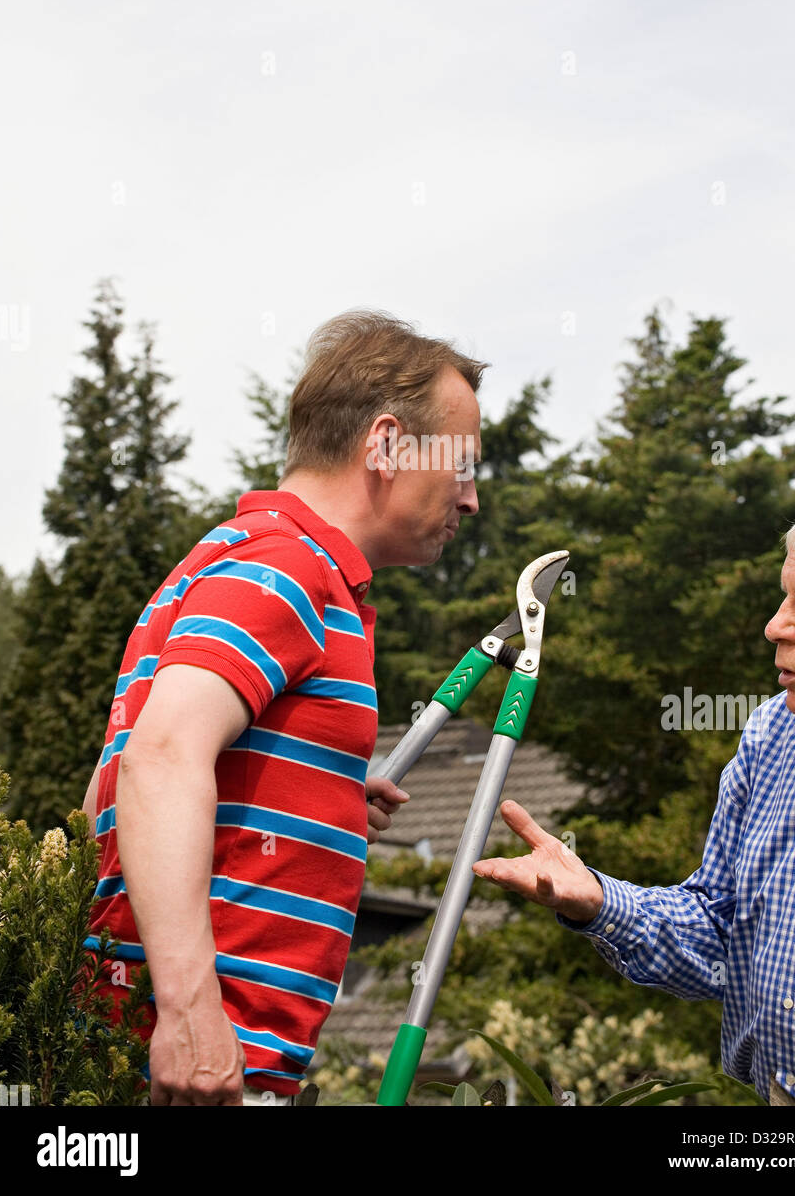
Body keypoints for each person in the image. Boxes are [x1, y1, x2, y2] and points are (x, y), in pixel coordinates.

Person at [82, 309, 485, 1106]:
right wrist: (193, 1014)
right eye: (463, 466)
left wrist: (312, 793)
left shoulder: (234, 559)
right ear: (387, 445)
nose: (470, 500)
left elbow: (111, 785)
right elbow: (160, 760)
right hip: (206, 1068)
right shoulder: (291, 567)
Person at [473, 494, 795, 1107]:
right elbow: (716, 932)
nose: (776, 625)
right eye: (786, 597)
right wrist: (599, 900)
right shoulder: (771, 736)